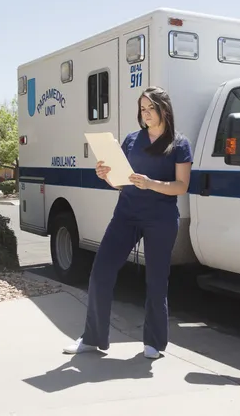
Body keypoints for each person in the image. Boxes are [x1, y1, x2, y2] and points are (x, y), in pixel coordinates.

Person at [63, 86, 193, 359]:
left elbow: (181, 186)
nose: (145, 114)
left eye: (150, 108)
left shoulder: (180, 144)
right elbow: (120, 183)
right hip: (127, 215)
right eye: (142, 109)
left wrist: (150, 183)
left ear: (163, 110)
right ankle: (92, 337)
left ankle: (154, 343)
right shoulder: (132, 140)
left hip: (161, 219)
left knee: (156, 281)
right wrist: (106, 175)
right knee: (101, 272)